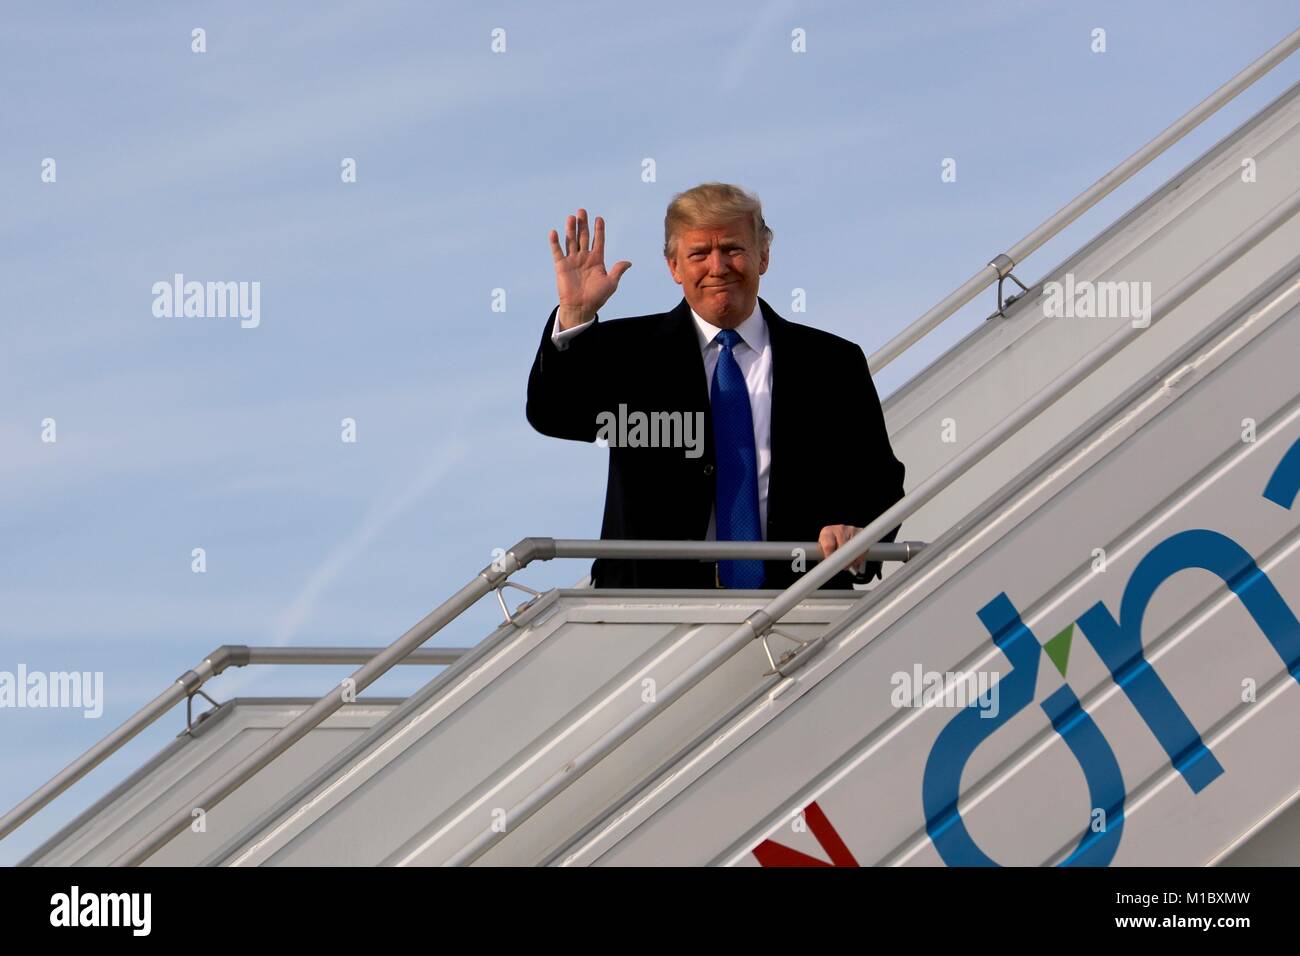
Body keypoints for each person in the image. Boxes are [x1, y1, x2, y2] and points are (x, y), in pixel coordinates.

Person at [526, 182, 905, 590]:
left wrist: (856, 530)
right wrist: (575, 316)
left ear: (763, 256)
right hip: (653, 612)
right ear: (674, 267)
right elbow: (554, 413)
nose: (718, 266)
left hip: (799, 605)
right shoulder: (631, 353)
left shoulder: (831, 362)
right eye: (699, 254)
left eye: (733, 249)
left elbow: (878, 478)